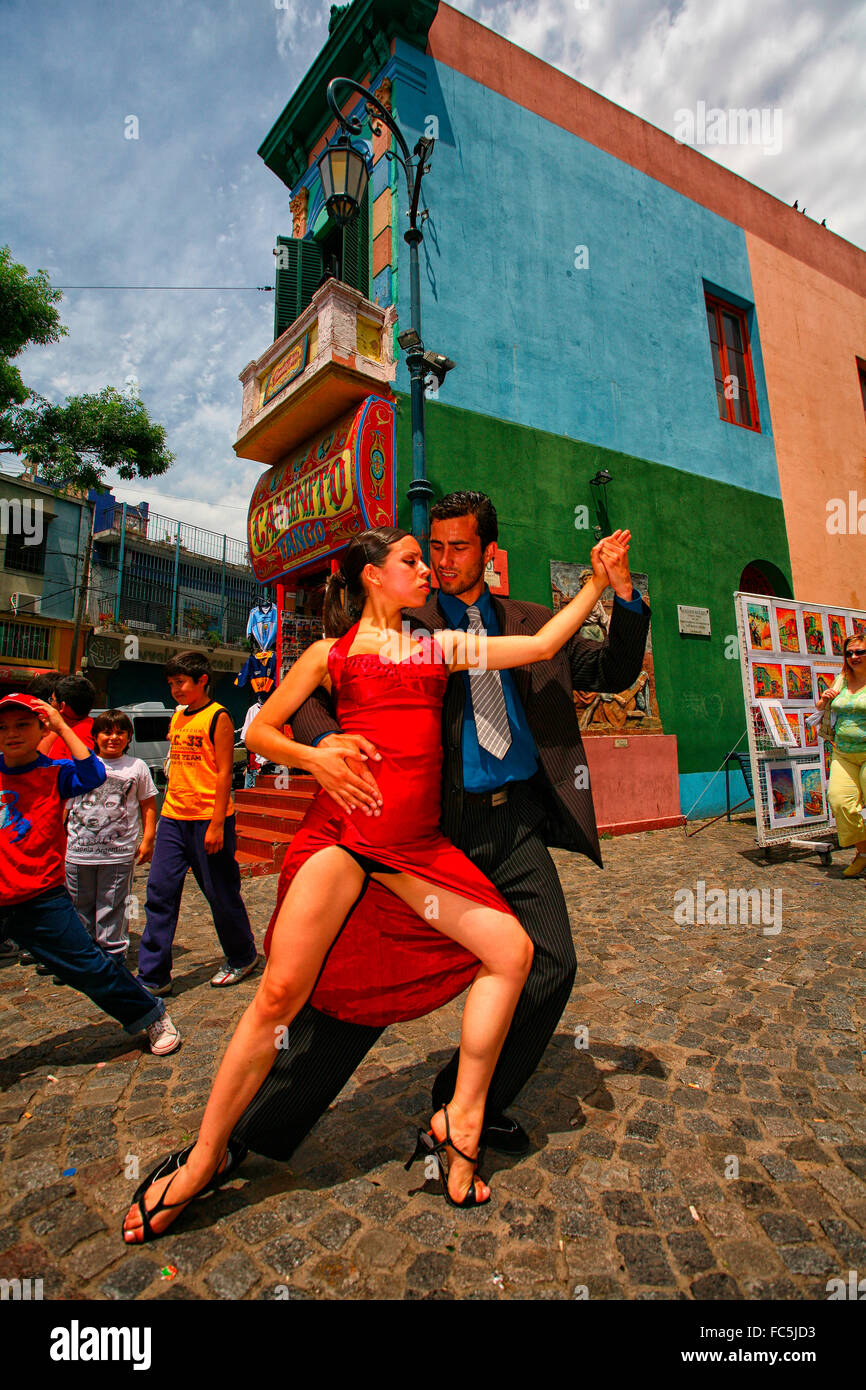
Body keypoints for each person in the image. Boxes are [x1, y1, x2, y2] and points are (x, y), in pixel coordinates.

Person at [121, 525, 628, 1242]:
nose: (426, 570)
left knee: (513, 954)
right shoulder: (331, 655)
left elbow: (541, 648)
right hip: (345, 840)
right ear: (371, 576)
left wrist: (598, 584)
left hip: (414, 851)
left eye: (428, 559)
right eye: (411, 561)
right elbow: (259, 731)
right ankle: (204, 1158)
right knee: (275, 996)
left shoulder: (437, 648)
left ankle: (462, 1119)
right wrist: (316, 754)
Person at [232, 492, 649, 1163]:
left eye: (458, 548)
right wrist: (335, 748)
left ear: (488, 552)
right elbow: (308, 688)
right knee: (354, 983)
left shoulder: (529, 620)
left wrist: (620, 595)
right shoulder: (405, 619)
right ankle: (256, 1131)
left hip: (512, 824)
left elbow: (613, 670)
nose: (443, 561)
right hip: (421, 827)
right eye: (434, 548)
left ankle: (463, 1105)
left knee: (550, 962)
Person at [0, 693, 180, 1055]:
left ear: (42, 729)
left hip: (40, 897)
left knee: (88, 965)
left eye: (23, 725)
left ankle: (150, 1014)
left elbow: (93, 774)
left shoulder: (56, 773)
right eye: (3, 727)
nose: (11, 734)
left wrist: (62, 725)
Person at [135, 651, 258, 995]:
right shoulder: (177, 717)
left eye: (181, 683)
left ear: (202, 680)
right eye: (171, 683)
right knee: (159, 893)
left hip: (208, 818)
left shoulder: (218, 716)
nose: (175, 689)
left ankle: (242, 955)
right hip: (173, 817)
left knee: (220, 894)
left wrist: (217, 823)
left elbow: (223, 772)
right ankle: (153, 976)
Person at [66, 709, 158, 965]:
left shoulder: (136, 767)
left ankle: (112, 955)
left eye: (120, 732)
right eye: (107, 732)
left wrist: (148, 838)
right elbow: (67, 809)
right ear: (95, 737)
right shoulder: (80, 767)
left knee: (114, 904)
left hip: (118, 852)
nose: (113, 738)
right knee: (78, 906)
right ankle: (83, 957)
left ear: (129, 737)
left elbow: (148, 804)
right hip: (78, 852)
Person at [817, 632, 866, 877]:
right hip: (844, 753)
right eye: (849, 653)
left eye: (859, 652)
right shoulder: (842, 679)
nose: (853, 657)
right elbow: (821, 707)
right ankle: (863, 852)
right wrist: (823, 699)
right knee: (838, 800)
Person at [39, 674, 96, 759]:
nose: (50, 705)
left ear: (62, 706)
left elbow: (82, 768)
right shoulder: (65, 729)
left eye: (52, 700)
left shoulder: (80, 735)